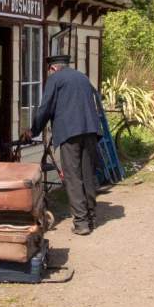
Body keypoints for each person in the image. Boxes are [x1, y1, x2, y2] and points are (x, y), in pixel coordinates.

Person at [30, 52, 104, 235]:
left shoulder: (55, 79)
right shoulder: (82, 77)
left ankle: (81, 223)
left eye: (49, 70)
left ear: (53, 68)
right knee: (87, 174)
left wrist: (33, 131)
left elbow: (45, 108)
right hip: (91, 131)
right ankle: (91, 217)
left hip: (70, 133)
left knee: (73, 177)